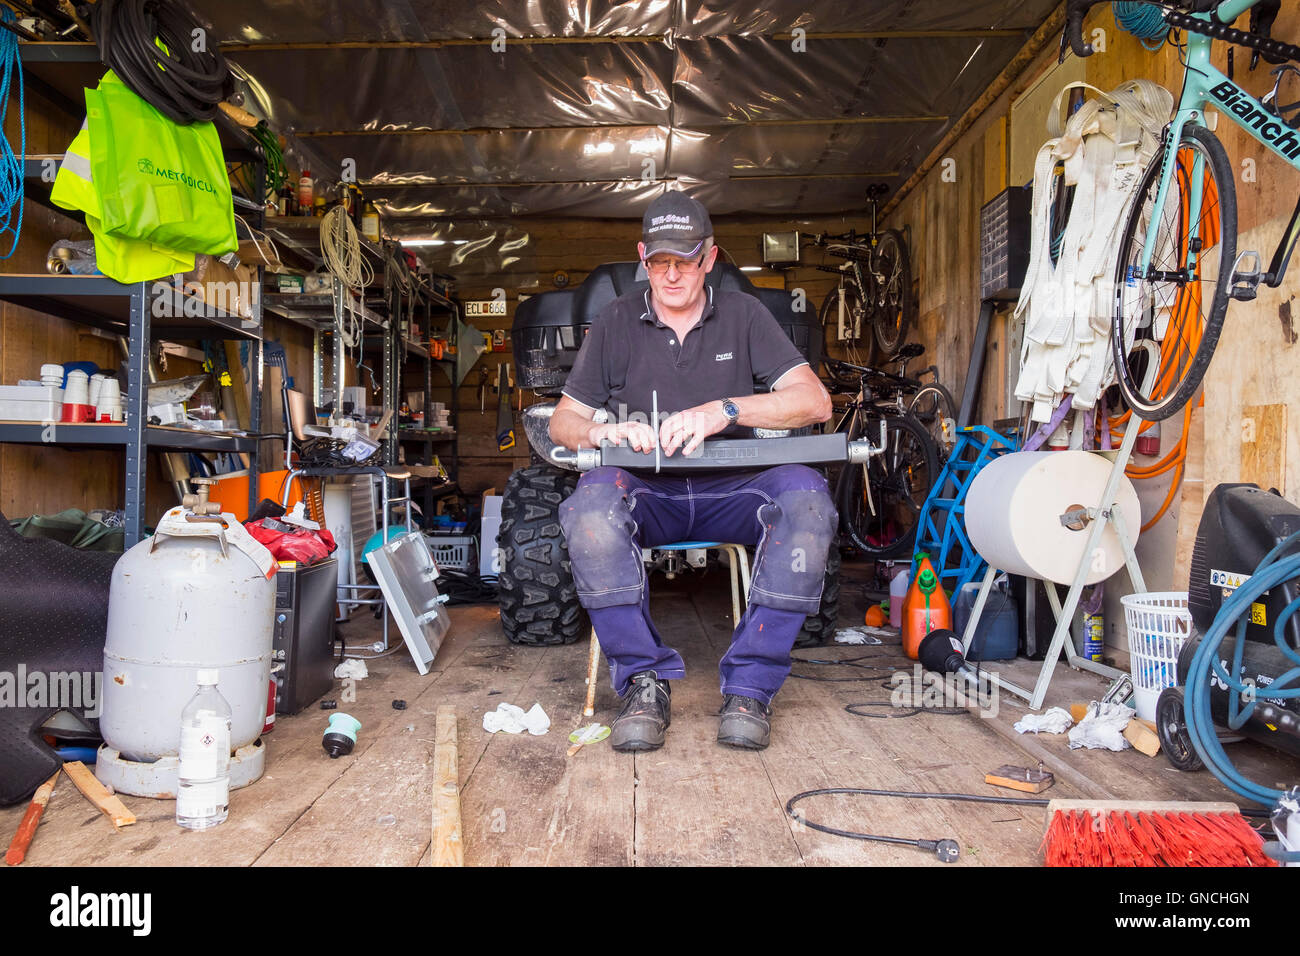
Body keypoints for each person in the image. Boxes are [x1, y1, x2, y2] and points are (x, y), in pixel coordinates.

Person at [549, 192, 836, 752]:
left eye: (685, 260)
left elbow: (814, 402)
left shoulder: (747, 316)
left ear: (710, 257)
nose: (672, 274)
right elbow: (563, 422)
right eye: (660, 262)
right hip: (646, 488)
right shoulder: (613, 321)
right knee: (588, 510)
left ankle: (752, 686)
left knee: (807, 501)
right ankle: (642, 683)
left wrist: (726, 409)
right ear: (643, 257)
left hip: (735, 486)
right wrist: (600, 431)